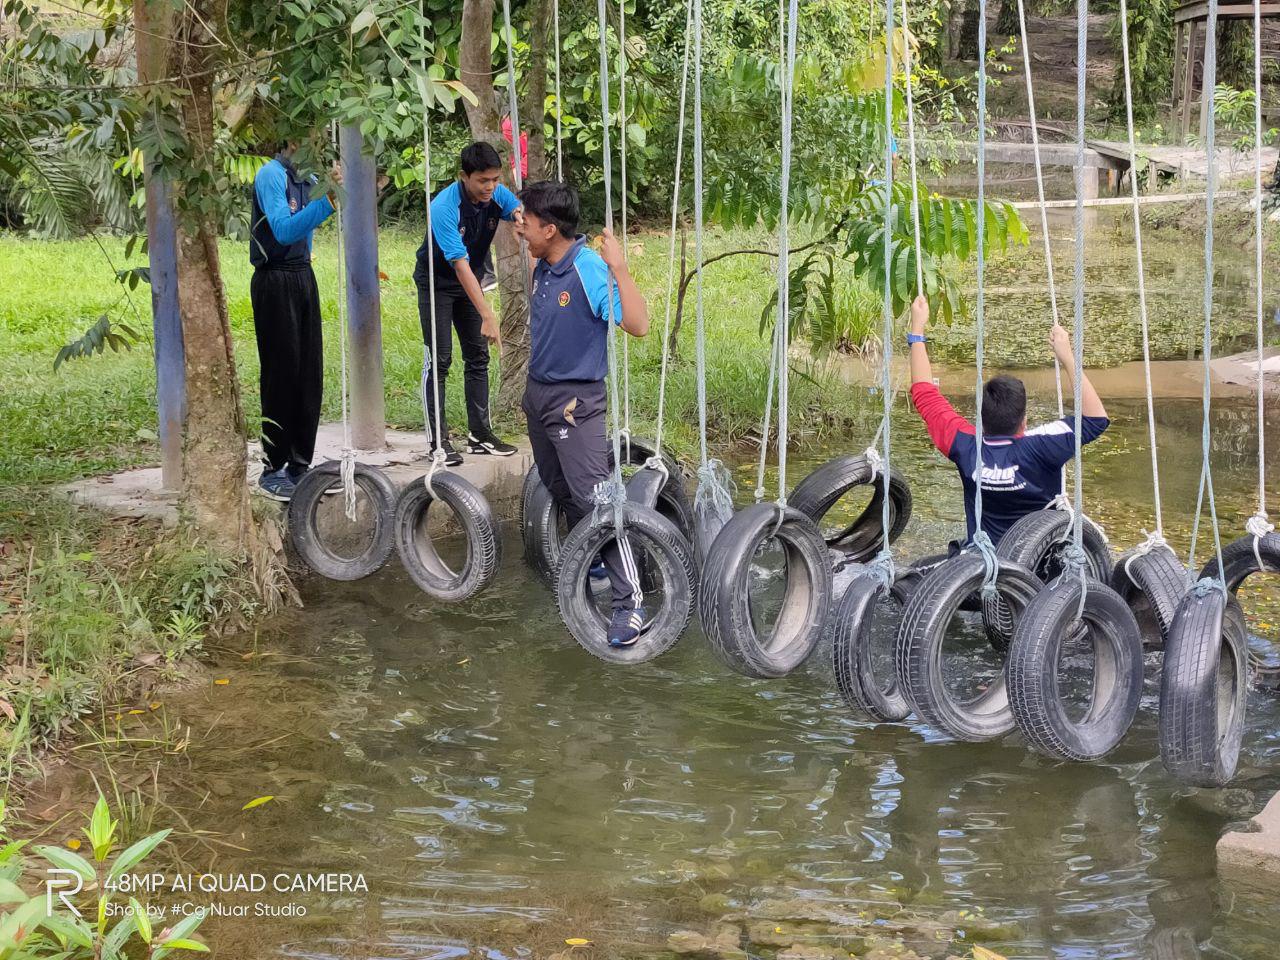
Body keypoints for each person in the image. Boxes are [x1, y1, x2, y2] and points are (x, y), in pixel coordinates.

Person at [516, 181, 652, 647]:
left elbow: (638, 325)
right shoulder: (544, 262)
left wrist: (622, 270)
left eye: (527, 223)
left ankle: (629, 602)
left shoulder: (589, 269)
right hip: (539, 396)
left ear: (551, 229)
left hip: (577, 404)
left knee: (596, 501)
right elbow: (512, 214)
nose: (521, 228)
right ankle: (594, 554)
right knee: (558, 486)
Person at [907, 294, 1109, 546]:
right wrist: (1067, 357)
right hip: (1038, 565)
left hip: (981, 566)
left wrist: (917, 328)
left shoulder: (965, 445)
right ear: (1024, 421)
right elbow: (1096, 420)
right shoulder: (1043, 446)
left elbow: (924, 393)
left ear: (980, 422)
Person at [414, 142, 522, 465]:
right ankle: (438, 441)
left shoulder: (496, 194)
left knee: (477, 355)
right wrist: (487, 313)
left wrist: (518, 217)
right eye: (482, 181)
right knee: (440, 358)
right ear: (464, 177)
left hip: (469, 281)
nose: (490, 187)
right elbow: (459, 264)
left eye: (495, 179)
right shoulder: (444, 207)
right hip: (438, 284)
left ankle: (479, 434)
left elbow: (516, 207)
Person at [249, 141, 342, 501]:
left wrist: (330, 192)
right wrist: (328, 202)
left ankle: (300, 464)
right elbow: (284, 231)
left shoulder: (311, 178)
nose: (315, 143)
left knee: (309, 373)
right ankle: (272, 468)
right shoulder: (271, 175)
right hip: (274, 278)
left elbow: (306, 234)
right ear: (289, 140)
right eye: (308, 137)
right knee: (280, 373)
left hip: (303, 275)